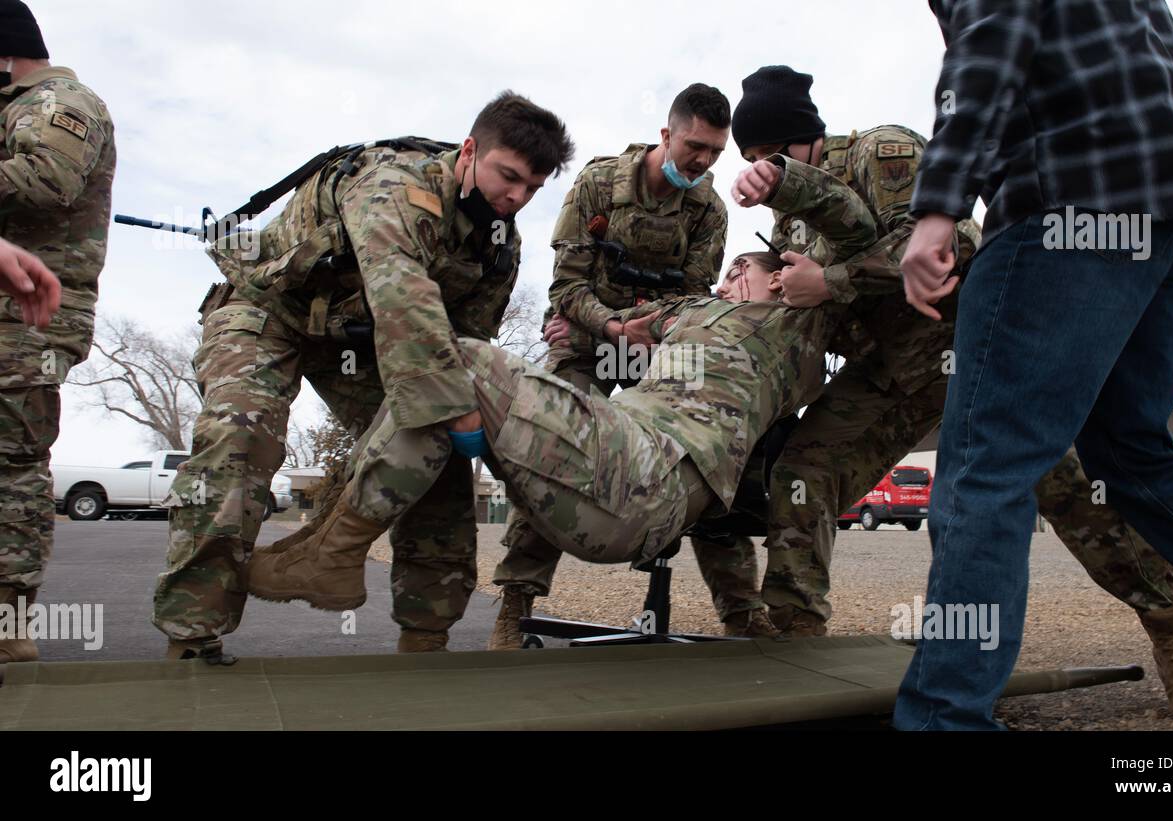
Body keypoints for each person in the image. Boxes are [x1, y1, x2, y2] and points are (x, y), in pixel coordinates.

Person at [719, 64, 1173, 722]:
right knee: (803, 468)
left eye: (769, 154)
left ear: (805, 139)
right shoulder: (790, 223)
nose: (762, 172)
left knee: (1073, 492)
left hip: (973, 351)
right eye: (750, 161)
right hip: (891, 372)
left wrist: (834, 279)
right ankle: (793, 640)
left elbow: (948, 246)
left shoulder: (883, 153)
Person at [895, 0, 1173, 731]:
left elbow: (990, 42)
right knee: (1135, 454)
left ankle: (944, 719)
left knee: (988, 464)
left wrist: (937, 206)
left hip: (1078, 194)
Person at [242, 158, 871, 617]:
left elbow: (854, 230)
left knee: (460, 360)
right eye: (728, 270)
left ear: (788, 278)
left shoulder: (795, 326)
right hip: (607, 480)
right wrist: (581, 323)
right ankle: (338, 555)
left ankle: (331, 550)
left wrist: (784, 179)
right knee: (443, 384)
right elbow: (611, 328)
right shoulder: (693, 314)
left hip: (660, 480)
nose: (731, 276)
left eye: (747, 271)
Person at [151, 92, 574, 660]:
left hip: (361, 341)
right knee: (239, 436)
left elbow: (465, 344)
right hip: (269, 311)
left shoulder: (499, 245)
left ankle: (426, 640)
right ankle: (192, 634)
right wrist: (454, 403)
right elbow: (403, 296)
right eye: (509, 176)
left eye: (532, 189)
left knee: (437, 455)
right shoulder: (394, 184)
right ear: (469, 151)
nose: (516, 198)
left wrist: (465, 415)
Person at [488, 83, 760, 650]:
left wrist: (651, 332)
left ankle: (743, 612)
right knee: (550, 449)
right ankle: (516, 603)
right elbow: (567, 287)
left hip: (659, 349)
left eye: (716, 151)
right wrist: (611, 327)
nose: (704, 161)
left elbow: (692, 298)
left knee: (711, 454)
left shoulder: (708, 209)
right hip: (590, 339)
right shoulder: (597, 185)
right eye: (695, 146)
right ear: (666, 135)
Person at [0, 0, 115, 670]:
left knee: (11, 464)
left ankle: (8, 623)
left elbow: (48, 179)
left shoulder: (59, 102)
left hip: (26, 322)